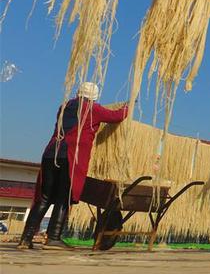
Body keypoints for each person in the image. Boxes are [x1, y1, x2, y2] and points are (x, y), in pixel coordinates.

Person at [18, 82, 128, 250]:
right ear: (94, 96)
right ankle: (53, 238)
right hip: (70, 156)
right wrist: (129, 107)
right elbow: (117, 116)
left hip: (50, 154)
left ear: (78, 93)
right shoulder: (93, 109)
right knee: (64, 197)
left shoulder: (65, 106)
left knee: (44, 198)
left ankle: (25, 239)